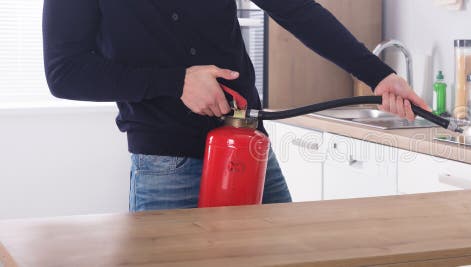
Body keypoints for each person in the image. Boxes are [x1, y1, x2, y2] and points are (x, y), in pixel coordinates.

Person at [42, 0, 429, 212]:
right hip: (166, 163)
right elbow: (64, 73)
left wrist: (379, 75)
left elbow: (297, 10)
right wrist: (175, 82)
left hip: (248, 146)